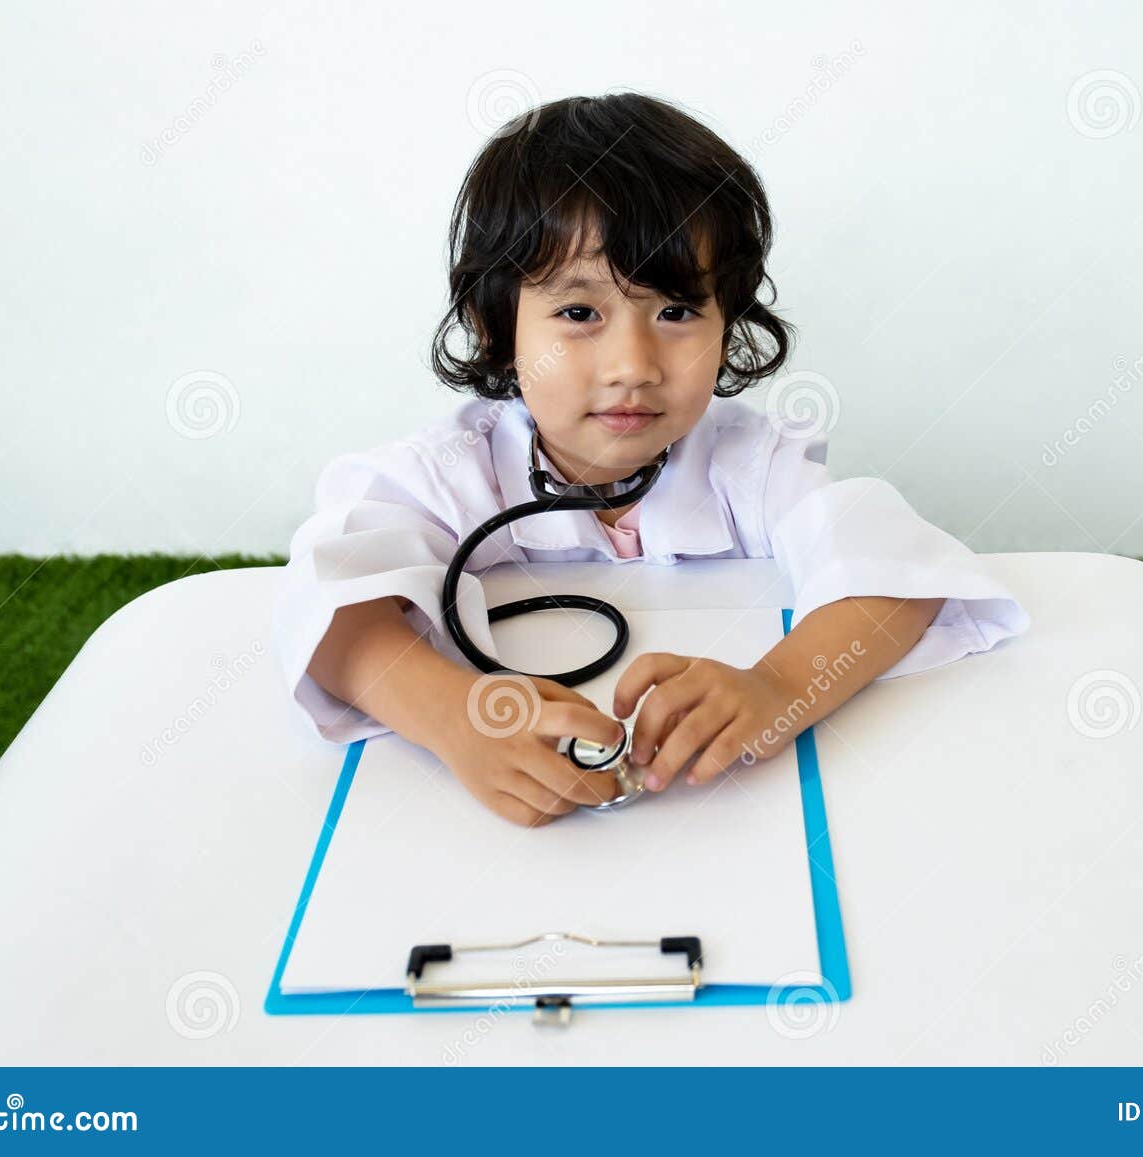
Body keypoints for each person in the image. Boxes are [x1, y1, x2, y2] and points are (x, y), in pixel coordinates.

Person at [272, 92, 1029, 828]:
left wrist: (777, 686)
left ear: (728, 323)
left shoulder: (751, 463)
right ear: (498, 328)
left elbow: (894, 575)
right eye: (579, 313)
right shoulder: (446, 471)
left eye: (676, 311)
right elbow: (328, 604)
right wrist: (455, 717)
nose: (633, 365)